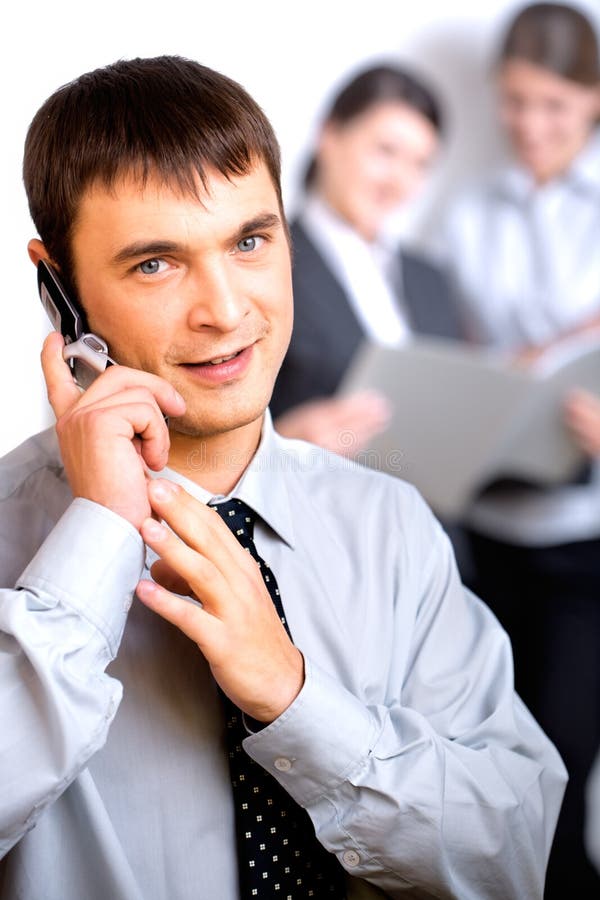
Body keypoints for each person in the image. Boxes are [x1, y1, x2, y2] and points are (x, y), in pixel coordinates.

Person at [0, 55, 566, 900]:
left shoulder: (392, 527)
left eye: (250, 240)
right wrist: (95, 543)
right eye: (155, 263)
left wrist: (296, 701)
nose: (226, 311)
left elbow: (515, 854)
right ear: (59, 285)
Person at [441, 3, 600, 896]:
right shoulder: (468, 215)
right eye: (516, 104)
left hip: (586, 536)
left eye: (556, 108)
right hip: (489, 527)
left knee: (568, 766)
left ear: (595, 103)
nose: (531, 127)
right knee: (494, 766)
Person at [270, 63, 462, 457]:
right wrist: (283, 440)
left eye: (420, 164)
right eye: (385, 151)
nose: (399, 181)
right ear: (329, 135)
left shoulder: (431, 279)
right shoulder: (267, 265)